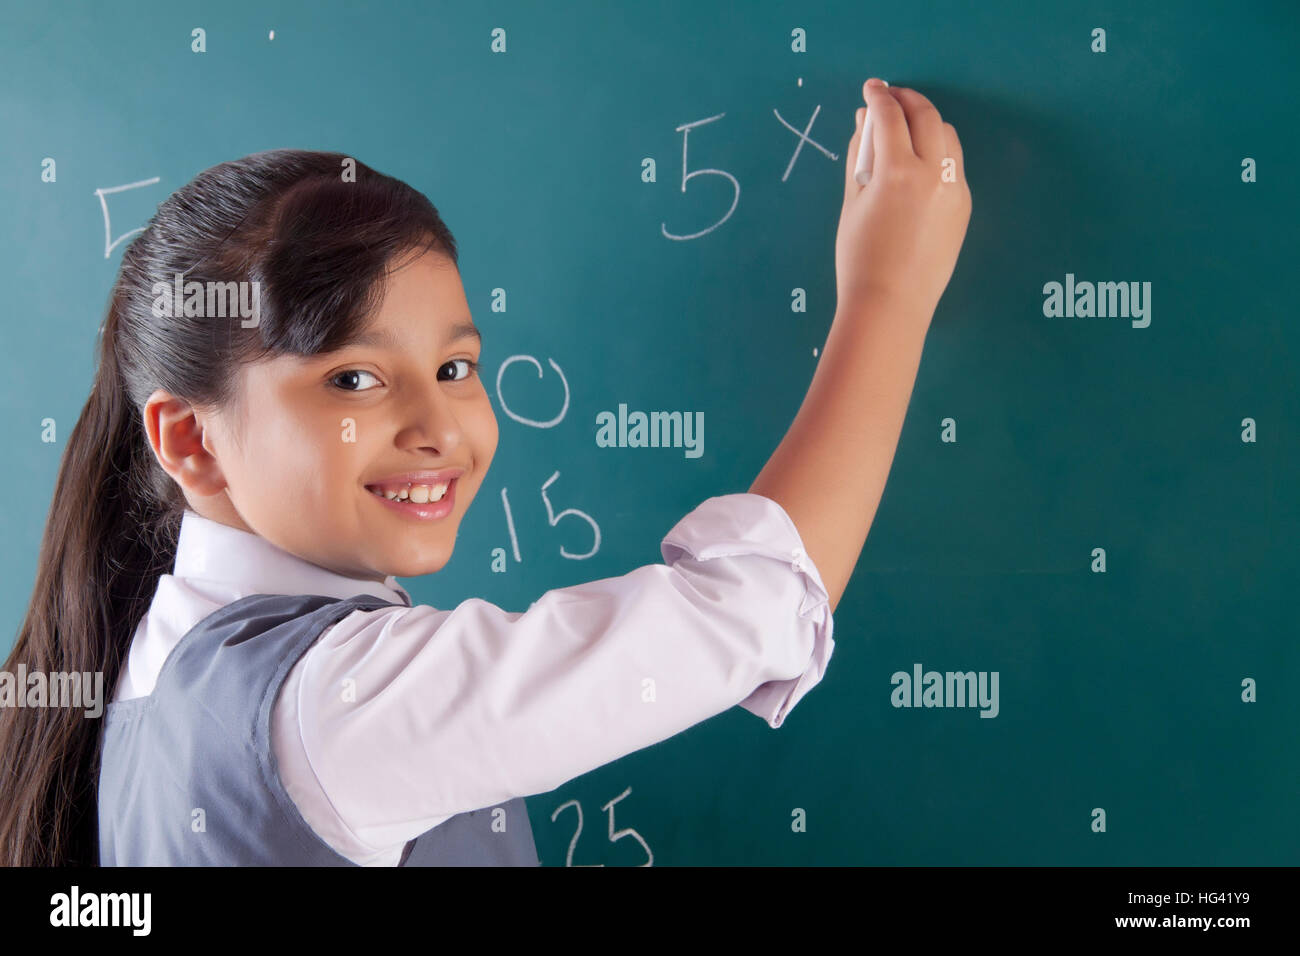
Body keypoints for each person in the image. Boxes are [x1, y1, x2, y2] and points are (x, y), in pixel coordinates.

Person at [0, 78, 971, 865]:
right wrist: (886, 293)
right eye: (355, 377)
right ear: (192, 441)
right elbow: (746, 608)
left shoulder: (153, 655)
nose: (438, 426)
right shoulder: (339, 700)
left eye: (456, 368)